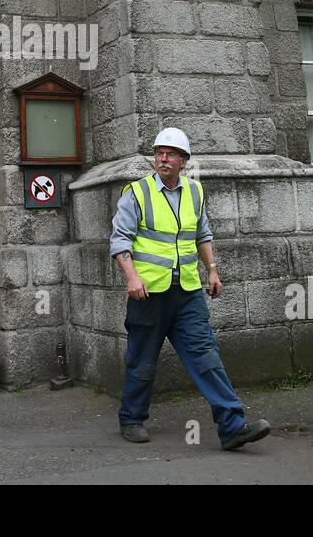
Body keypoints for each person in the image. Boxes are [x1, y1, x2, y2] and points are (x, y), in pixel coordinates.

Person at [110, 127, 271, 451]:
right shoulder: (137, 193)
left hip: (187, 292)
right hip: (149, 294)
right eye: (158, 152)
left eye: (170, 154)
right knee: (142, 362)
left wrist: (212, 271)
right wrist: (131, 276)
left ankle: (232, 426)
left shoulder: (195, 193)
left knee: (205, 357)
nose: (163, 158)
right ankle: (131, 418)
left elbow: (203, 235)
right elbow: (120, 240)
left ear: (183, 161)